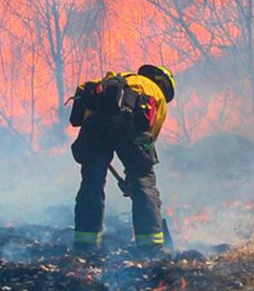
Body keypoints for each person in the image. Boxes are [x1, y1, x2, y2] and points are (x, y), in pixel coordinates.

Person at [69, 64, 176, 254]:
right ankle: (151, 247)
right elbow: (148, 140)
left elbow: (88, 116)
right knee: (144, 182)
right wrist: (134, 180)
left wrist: (97, 143)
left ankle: (85, 244)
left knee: (92, 181)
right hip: (131, 125)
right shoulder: (156, 93)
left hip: (95, 126)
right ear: (165, 85)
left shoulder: (113, 81)